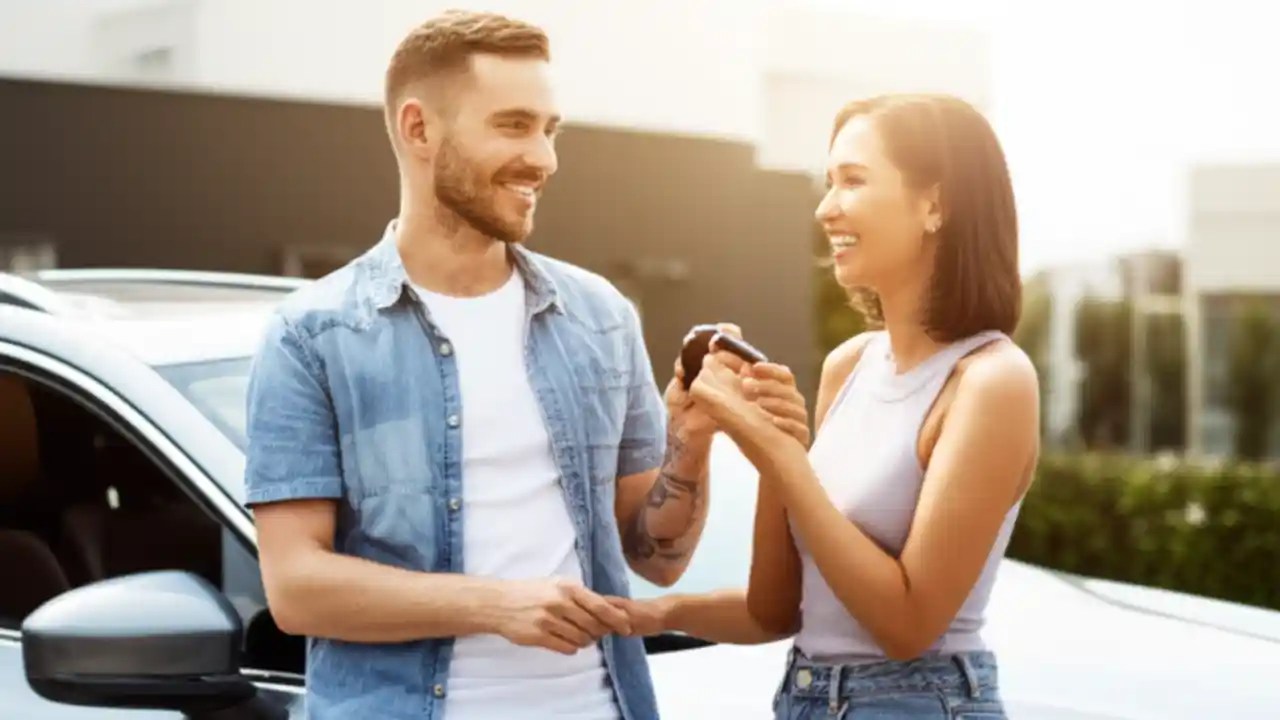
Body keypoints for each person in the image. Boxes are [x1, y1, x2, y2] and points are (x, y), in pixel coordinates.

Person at [241, 10, 796, 720]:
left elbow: (657, 561)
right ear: (418, 129)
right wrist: (496, 604)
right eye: (513, 125)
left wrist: (689, 441)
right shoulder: (312, 335)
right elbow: (295, 589)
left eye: (549, 129)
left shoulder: (599, 317)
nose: (544, 158)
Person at [619, 94, 1038, 719]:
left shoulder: (991, 381)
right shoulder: (849, 366)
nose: (825, 207)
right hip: (807, 699)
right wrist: (651, 613)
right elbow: (777, 609)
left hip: (919, 702)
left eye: (853, 180)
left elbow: (907, 624)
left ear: (935, 204)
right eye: (828, 182)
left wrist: (779, 453)